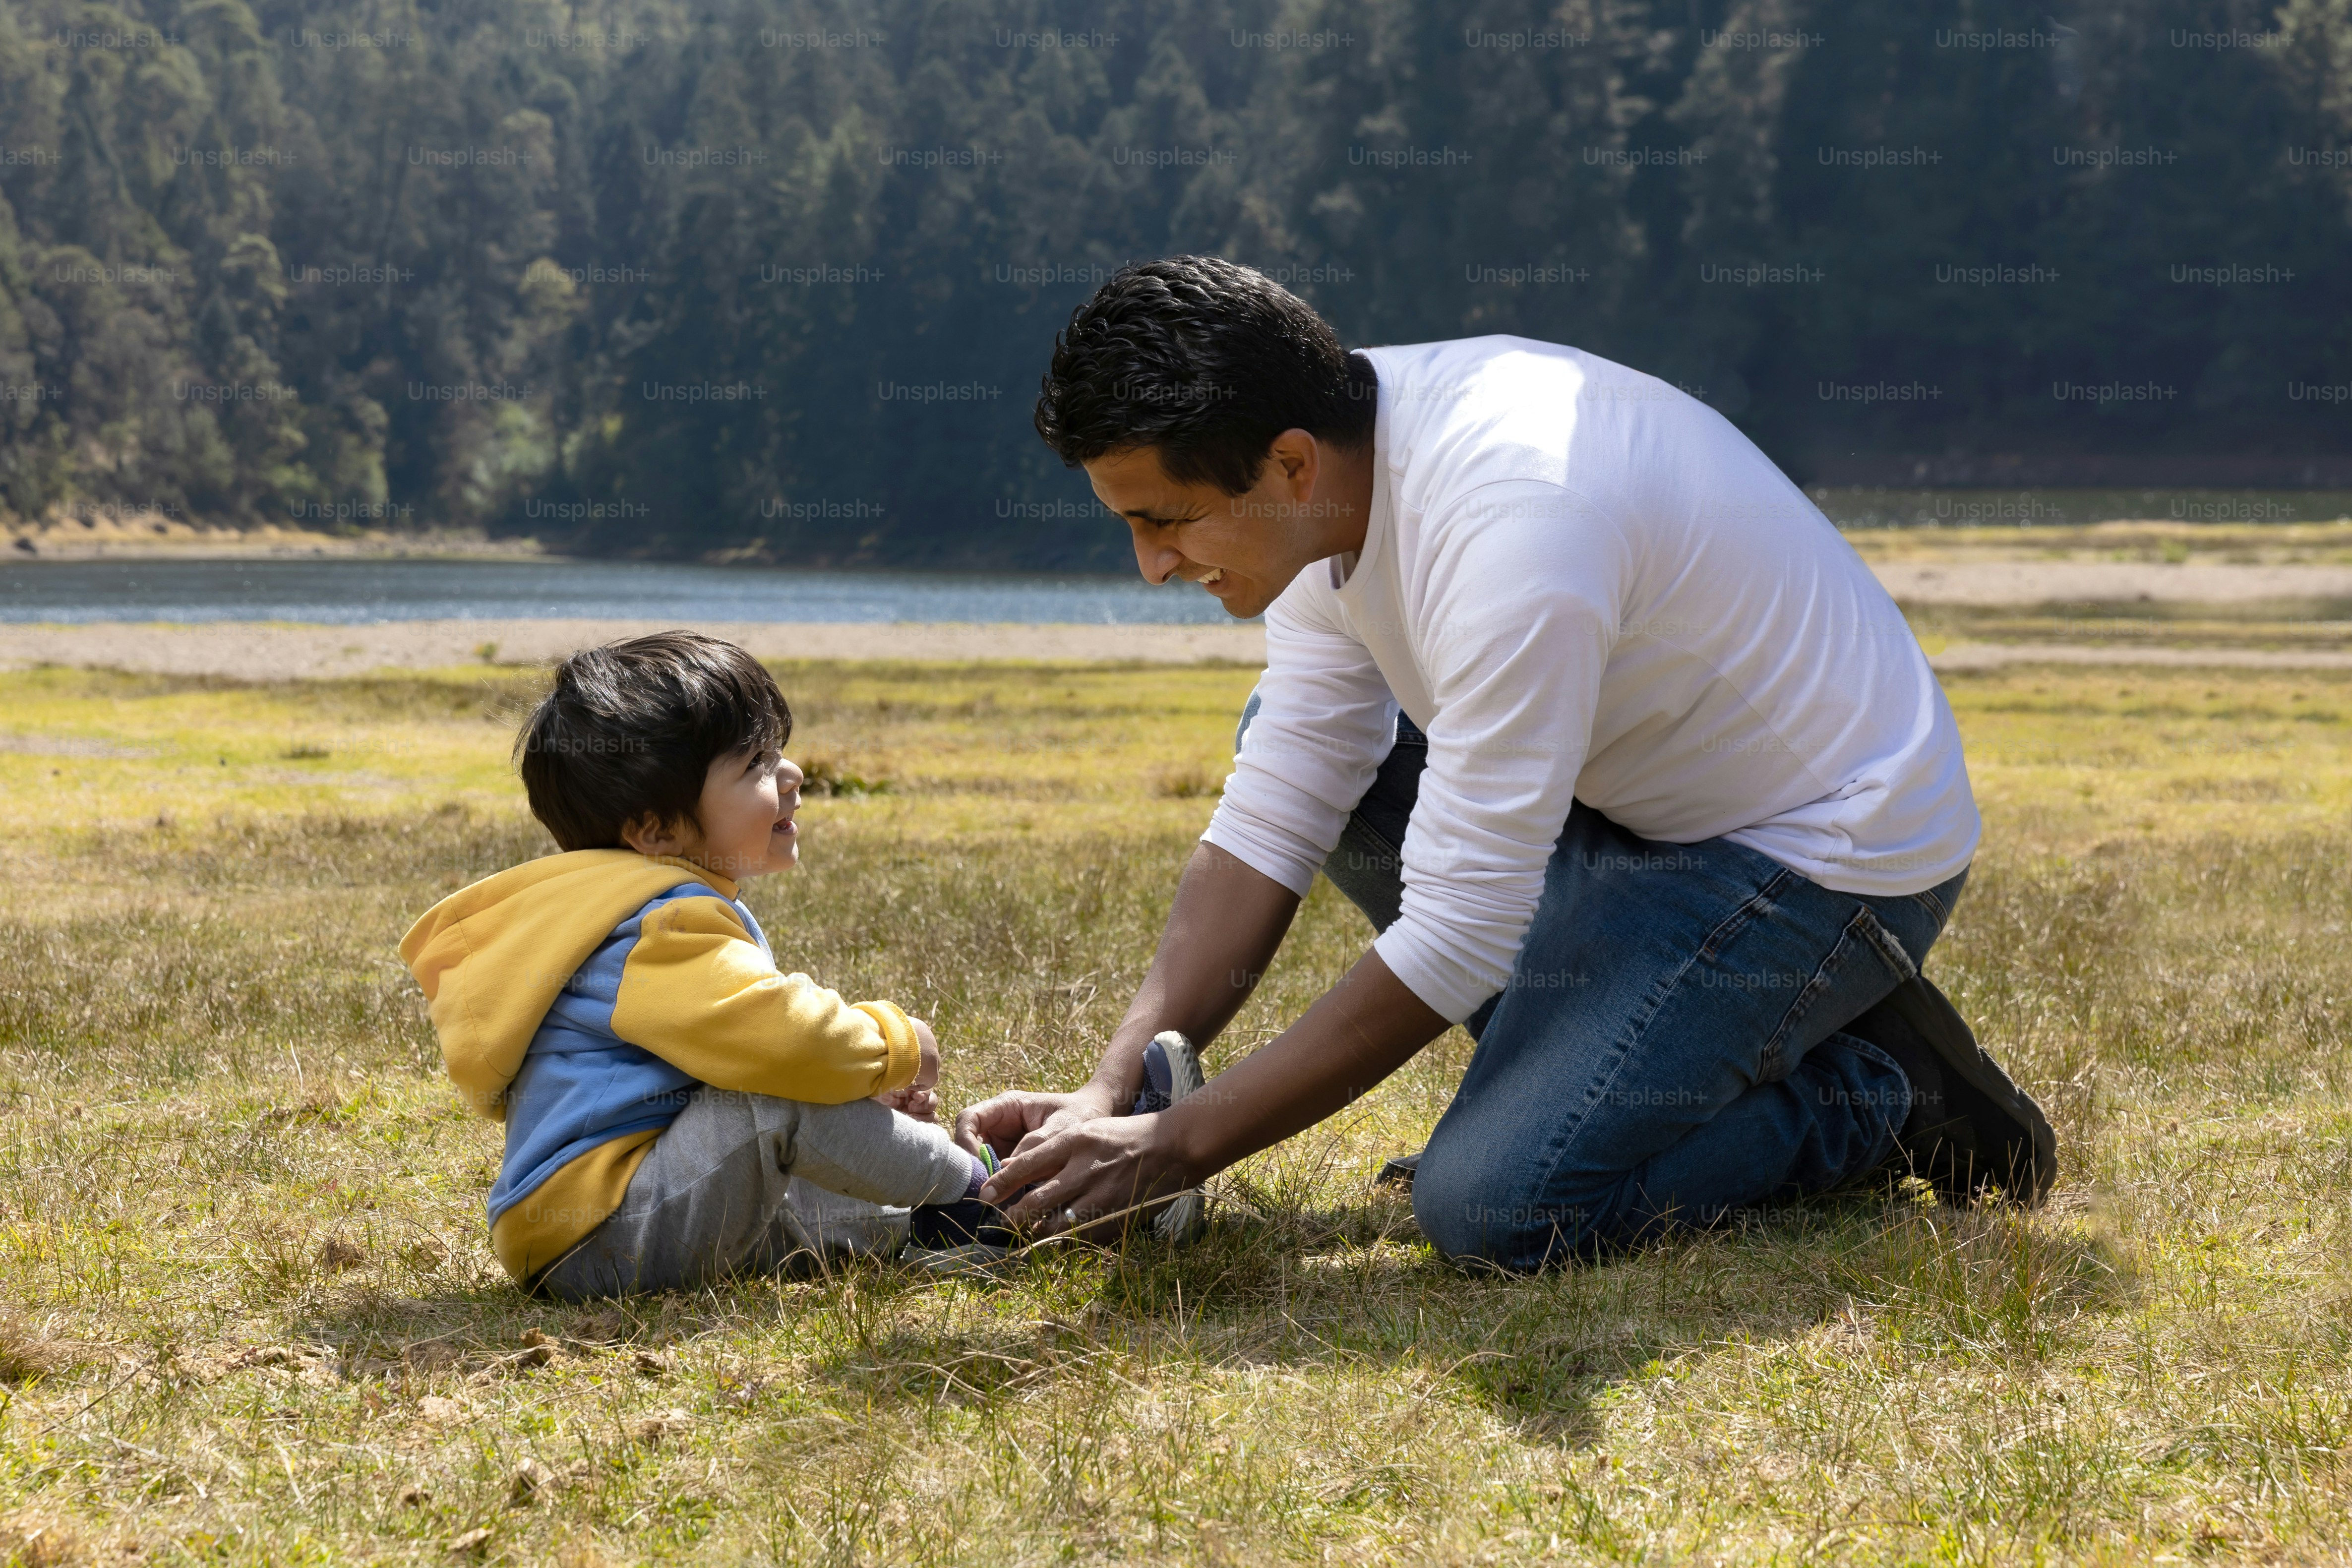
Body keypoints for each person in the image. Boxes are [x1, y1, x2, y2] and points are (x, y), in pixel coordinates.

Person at [958, 256, 2053, 1269]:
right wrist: (1111, 1090)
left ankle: (1875, 1093)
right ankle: (1664, 1049)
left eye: (1168, 522)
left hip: (1819, 850)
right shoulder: (1323, 486)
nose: (1150, 567)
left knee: (1496, 1205)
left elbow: (1461, 930)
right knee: (1291, 738)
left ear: (1288, 462)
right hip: (1632, 813)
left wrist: (1180, 1145)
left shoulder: (1514, 522)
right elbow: (1284, 798)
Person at [399, 631, 1011, 1297]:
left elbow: (727, 1055)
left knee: (815, 1173)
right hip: (607, 1230)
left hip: (606, 1222)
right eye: (754, 764)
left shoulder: (624, 911)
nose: (792, 774)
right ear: (656, 828)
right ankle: (983, 1199)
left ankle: (932, 1225)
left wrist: (855, 1093)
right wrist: (894, 1044)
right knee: (773, 1094)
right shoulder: (659, 922)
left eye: (778, 751)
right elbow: (782, 1043)